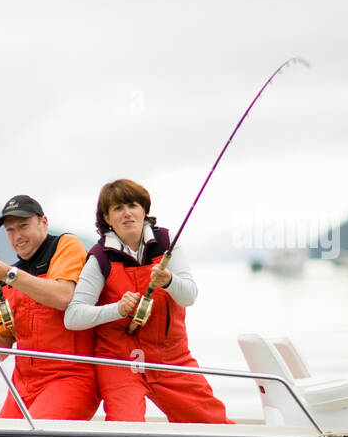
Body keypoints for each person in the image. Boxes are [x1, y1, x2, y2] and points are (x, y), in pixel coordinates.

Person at [64, 179, 231, 423]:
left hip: (171, 358)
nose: (127, 213)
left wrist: (169, 281)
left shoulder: (167, 243)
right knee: (126, 429)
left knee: (213, 424)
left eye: (133, 205)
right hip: (119, 362)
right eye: (118, 208)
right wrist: (117, 309)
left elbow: (190, 296)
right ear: (108, 219)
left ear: (144, 211)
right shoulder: (99, 257)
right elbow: (73, 317)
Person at [0, 194, 100, 420]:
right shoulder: (7, 276)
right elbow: (1, 350)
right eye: (10, 230)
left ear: (43, 222)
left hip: (70, 378)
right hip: (23, 383)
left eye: (23, 226)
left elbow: (64, 296)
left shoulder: (66, 245)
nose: (17, 236)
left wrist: (9, 274)